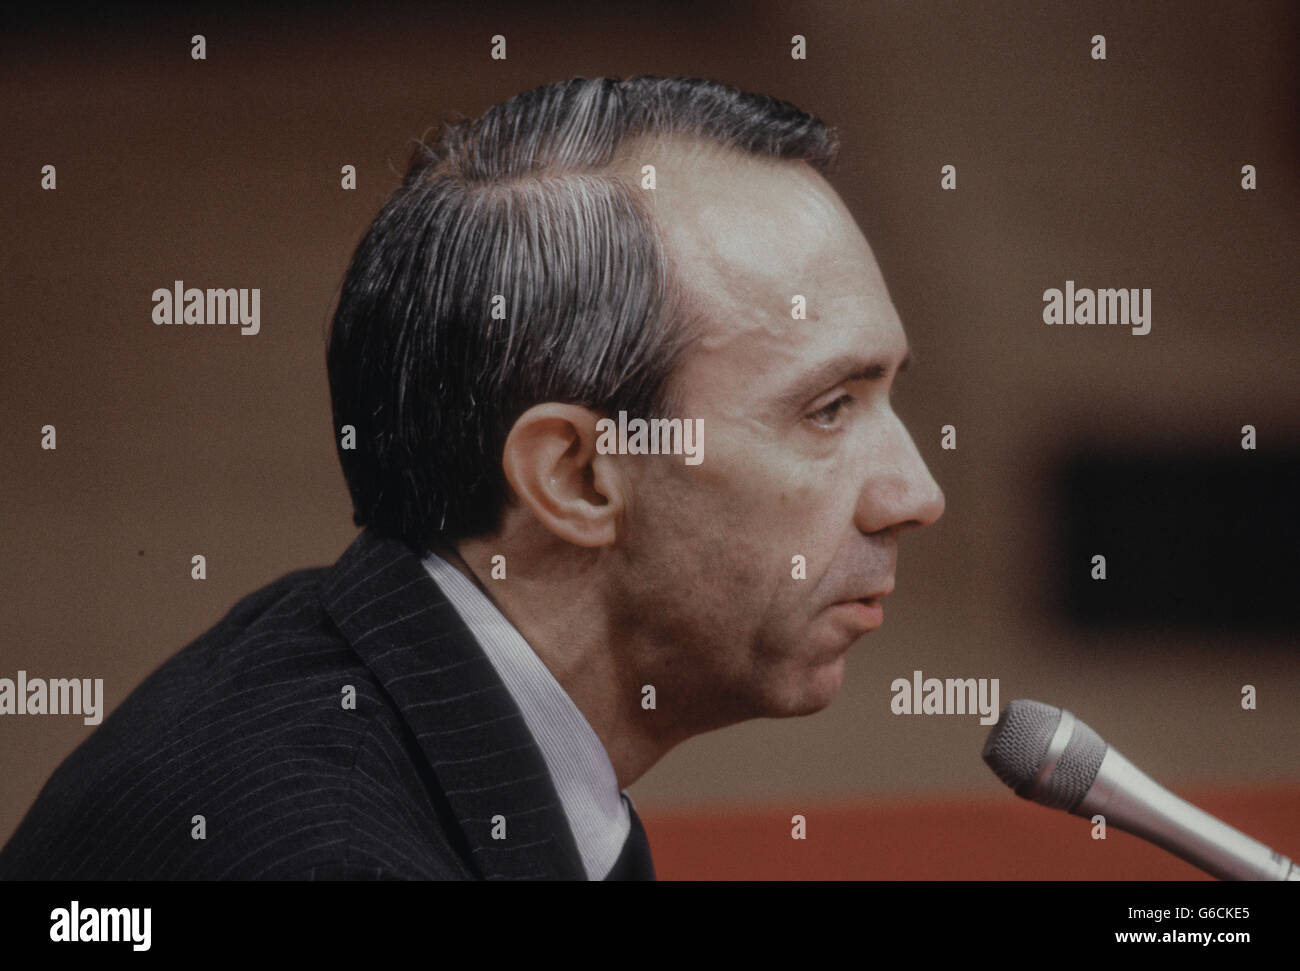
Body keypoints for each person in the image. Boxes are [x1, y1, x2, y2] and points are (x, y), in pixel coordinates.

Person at [0, 76, 944, 881]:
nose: (916, 494)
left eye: (890, 393)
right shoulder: (325, 850)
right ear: (575, 476)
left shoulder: (359, 667)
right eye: (829, 409)